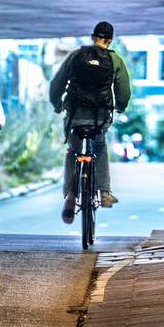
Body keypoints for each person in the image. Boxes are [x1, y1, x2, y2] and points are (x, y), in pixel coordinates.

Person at [49, 21, 132, 223]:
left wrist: (57, 104)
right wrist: (120, 107)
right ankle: (104, 192)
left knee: (72, 150)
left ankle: (70, 194)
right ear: (110, 40)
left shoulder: (76, 56)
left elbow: (56, 84)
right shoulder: (115, 60)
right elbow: (123, 91)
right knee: (100, 147)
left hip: (75, 116)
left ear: (93, 37)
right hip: (100, 118)